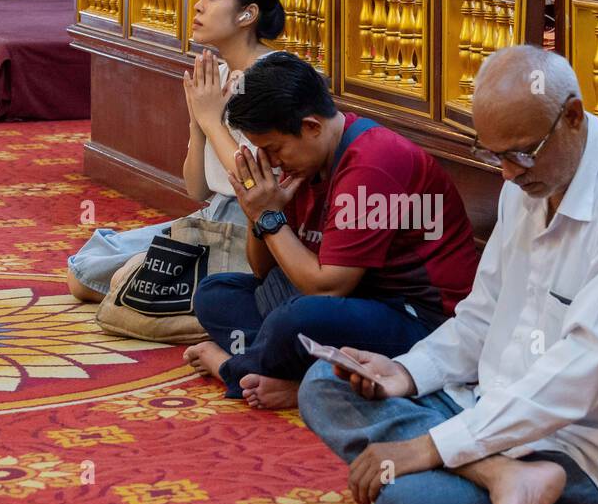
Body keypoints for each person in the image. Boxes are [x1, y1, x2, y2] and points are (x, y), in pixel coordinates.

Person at [297, 45, 598, 504]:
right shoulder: (528, 185)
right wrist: (406, 371)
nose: (508, 173)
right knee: (322, 384)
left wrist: (430, 448)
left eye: (520, 152)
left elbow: (581, 374)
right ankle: (500, 475)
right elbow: (482, 317)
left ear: (573, 117)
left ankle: (500, 469)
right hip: (492, 413)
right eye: (493, 155)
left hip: (594, 458)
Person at [184, 52, 479, 411]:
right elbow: (264, 272)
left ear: (311, 126)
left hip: (419, 320)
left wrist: (270, 216)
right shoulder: (307, 162)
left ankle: (234, 367)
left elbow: (328, 286)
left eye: (274, 149)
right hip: (354, 301)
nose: (272, 162)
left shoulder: (373, 162)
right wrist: (256, 212)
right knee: (215, 294)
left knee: (297, 318)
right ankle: (300, 375)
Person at [65, 0, 298, 301]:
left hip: (251, 227)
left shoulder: (271, 76)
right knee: (89, 264)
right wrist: (197, 122)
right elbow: (197, 189)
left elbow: (254, 184)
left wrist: (210, 118)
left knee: (97, 279)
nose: (198, 6)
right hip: (212, 212)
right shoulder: (216, 75)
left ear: (247, 14)